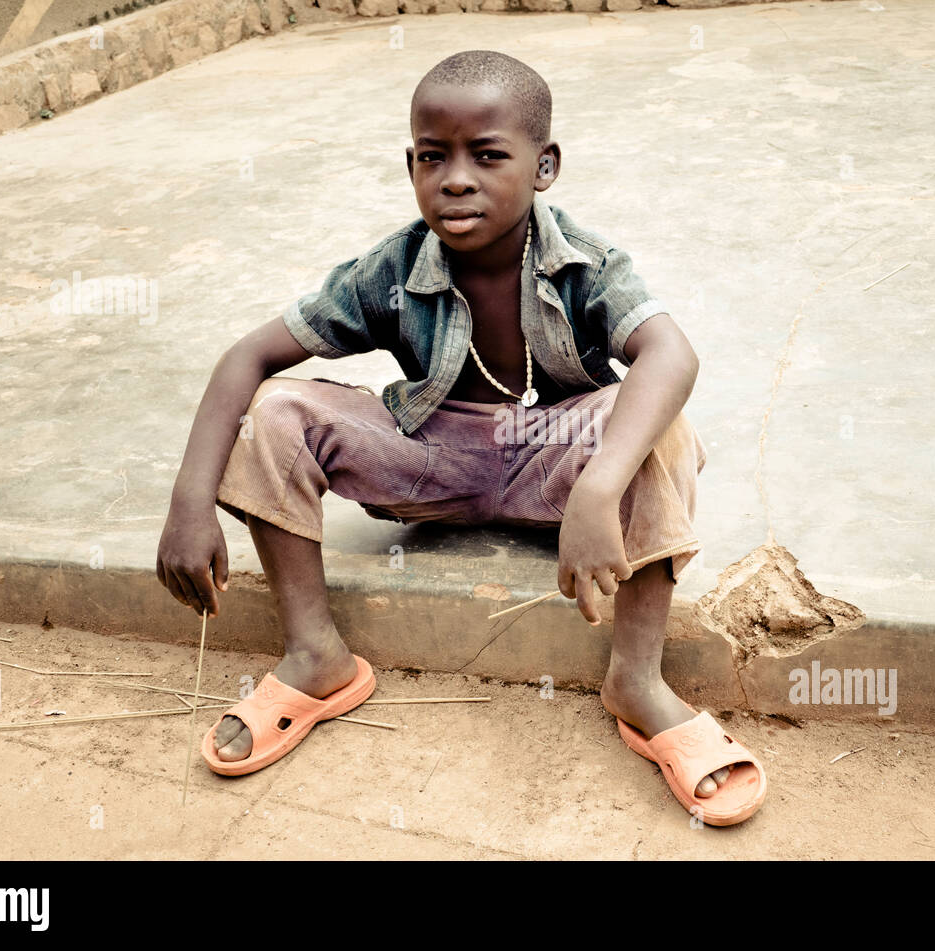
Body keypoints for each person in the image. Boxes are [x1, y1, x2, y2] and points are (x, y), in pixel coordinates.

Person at [156, 50, 765, 825]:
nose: (456, 179)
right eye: (432, 157)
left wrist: (602, 482)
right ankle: (317, 658)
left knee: (659, 425)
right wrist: (189, 500)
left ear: (544, 166)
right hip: (430, 459)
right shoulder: (391, 268)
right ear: (411, 163)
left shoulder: (587, 263)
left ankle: (637, 679)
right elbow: (249, 355)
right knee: (277, 408)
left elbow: (671, 353)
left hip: (556, 465)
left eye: (488, 155)